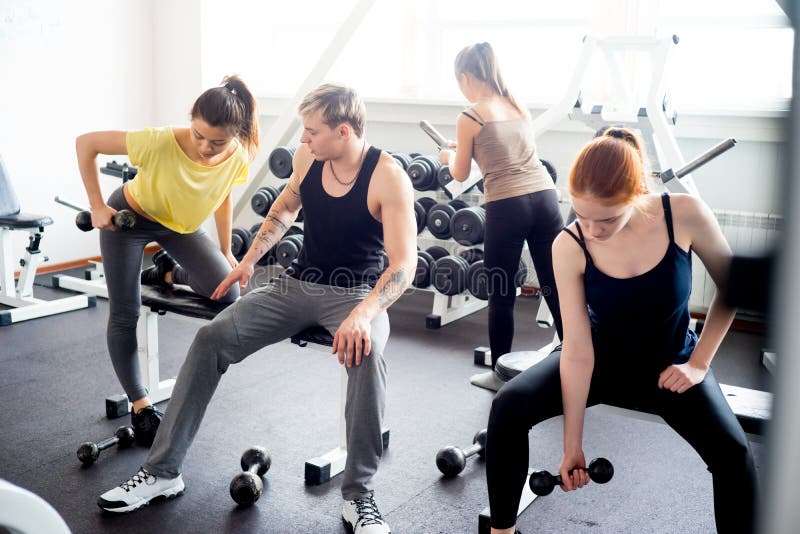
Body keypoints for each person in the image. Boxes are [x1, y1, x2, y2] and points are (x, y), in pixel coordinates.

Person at [97, 84, 417, 534]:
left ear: (343, 132)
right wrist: (247, 261)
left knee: (367, 354)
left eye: (311, 132)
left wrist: (363, 314)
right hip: (295, 283)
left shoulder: (387, 176)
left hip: (356, 294)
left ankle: (359, 496)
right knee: (210, 339)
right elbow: (286, 207)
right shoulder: (310, 158)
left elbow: (404, 265)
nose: (301, 141)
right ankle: (163, 472)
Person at [484, 128, 757, 533]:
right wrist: (571, 445)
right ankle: (501, 530)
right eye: (582, 215)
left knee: (733, 453)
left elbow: (735, 288)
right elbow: (577, 349)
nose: (592, 230)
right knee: (508, 406)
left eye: (607, 218)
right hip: (599, 360)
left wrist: (698, 364)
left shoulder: (683, 214)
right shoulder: (569, 243)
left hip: (671, 365)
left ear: (637, 195)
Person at [76, 75, 259, 445]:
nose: (206, 147)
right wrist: (97, 205)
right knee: (125, 313)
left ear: (235, 136)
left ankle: (168, 273)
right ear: (190, 121)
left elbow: (222, 196)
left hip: (180, 227)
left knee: (228, 293)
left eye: (217, 141)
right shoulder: (158, 140)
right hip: (130, 220)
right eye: (198, 135)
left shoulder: (238, 155)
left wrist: (225, 249)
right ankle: (140, 403)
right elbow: (87, 143)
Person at [438, 42, 564, 392]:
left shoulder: (471, 115)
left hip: (508, 205)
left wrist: (445, 155)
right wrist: (461, 148)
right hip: (544, 197)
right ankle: (574, 361)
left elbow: (460, 173)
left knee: (501, 293)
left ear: (465, 77)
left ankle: (499, 374)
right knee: (556, 285)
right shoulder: (516, 105)